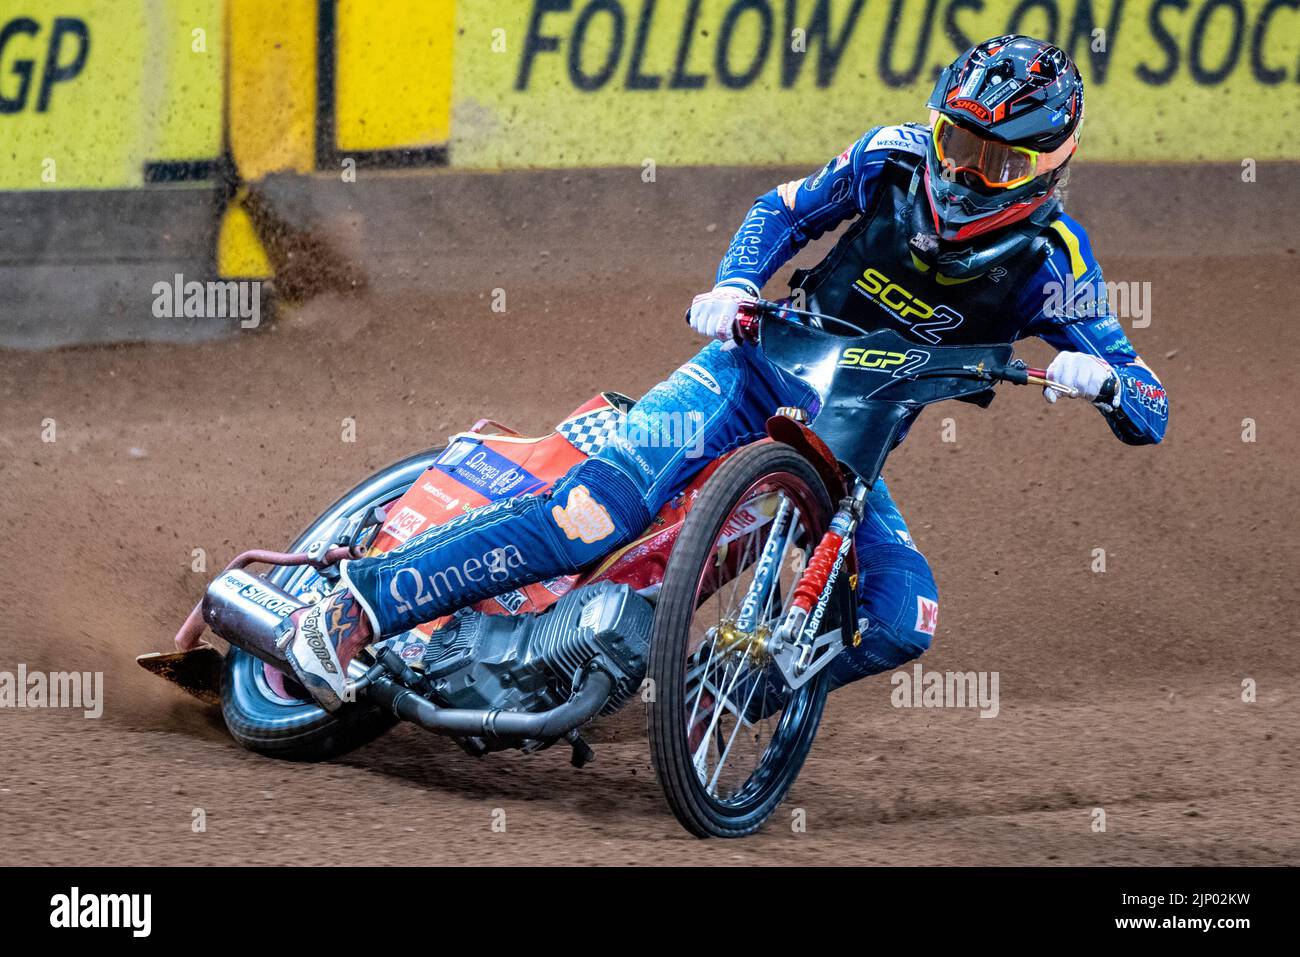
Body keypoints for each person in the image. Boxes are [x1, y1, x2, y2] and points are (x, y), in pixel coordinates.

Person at [281, 35, 1168, 711]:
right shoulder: (892, 157)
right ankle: (352, 608)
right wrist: (737, 282)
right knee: (590, 516)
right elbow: (782, 211)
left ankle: (712, 700)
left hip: (844, 445)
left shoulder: (1057, 264)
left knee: (904, 616)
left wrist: (1107, 383)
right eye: (955, 142)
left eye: (996, 162)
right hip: (751, 371)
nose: (963, 172)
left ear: (1049, 169)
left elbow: (1151, 405)